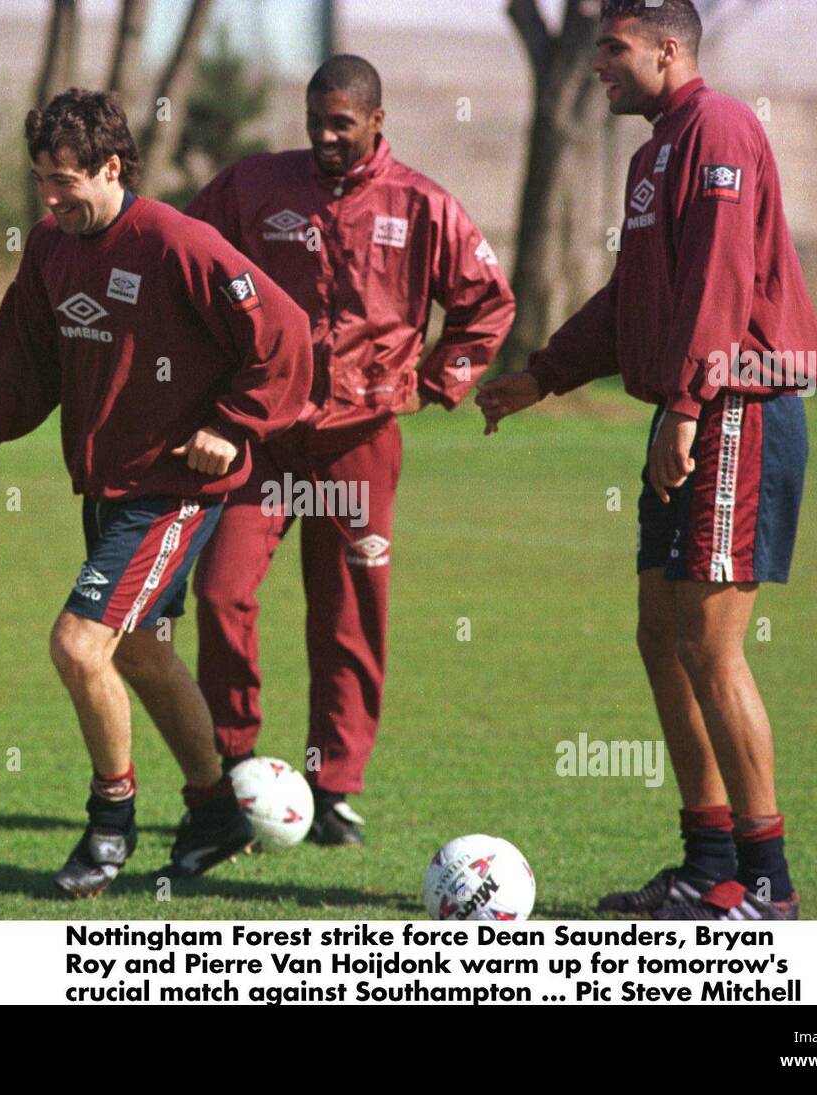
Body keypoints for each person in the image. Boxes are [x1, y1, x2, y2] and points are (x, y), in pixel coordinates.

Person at [479, 0, 817, 920]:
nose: (597, 64)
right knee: (658, 635)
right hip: (689, 410)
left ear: (668, 49)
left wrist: (684, 404)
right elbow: (636, 291)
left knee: (710, 646)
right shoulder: (654, 151)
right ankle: (708, 863)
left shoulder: (720, 126)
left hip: (733, 408)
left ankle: (766, 884)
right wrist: (544, 374)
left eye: (612, 47)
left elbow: (719, 276)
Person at [0, 89, 313, 897]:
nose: (49, 196)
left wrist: (235, 424)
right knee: (141, 649)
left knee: (79, 645)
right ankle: (215, 809)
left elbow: (283, 333)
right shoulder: (50, 247)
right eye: (40, 178)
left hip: (171, 486)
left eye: (65, 180)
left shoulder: (179, 242)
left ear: (113, 167)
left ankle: (110, 824)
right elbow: (25, 345)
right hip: (107, 484)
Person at [187, 55, 515, 845]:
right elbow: (187, 267)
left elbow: (485, 301)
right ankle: (235, 764)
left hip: (360, 443)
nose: (326, 137)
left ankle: (332, 785)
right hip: (261, 435)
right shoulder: (252, 188)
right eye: (315, 121)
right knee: (220, 592)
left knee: (347, 615)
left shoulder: (423, 204)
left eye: (342, 123)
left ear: (376, 120)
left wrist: (440, 379)